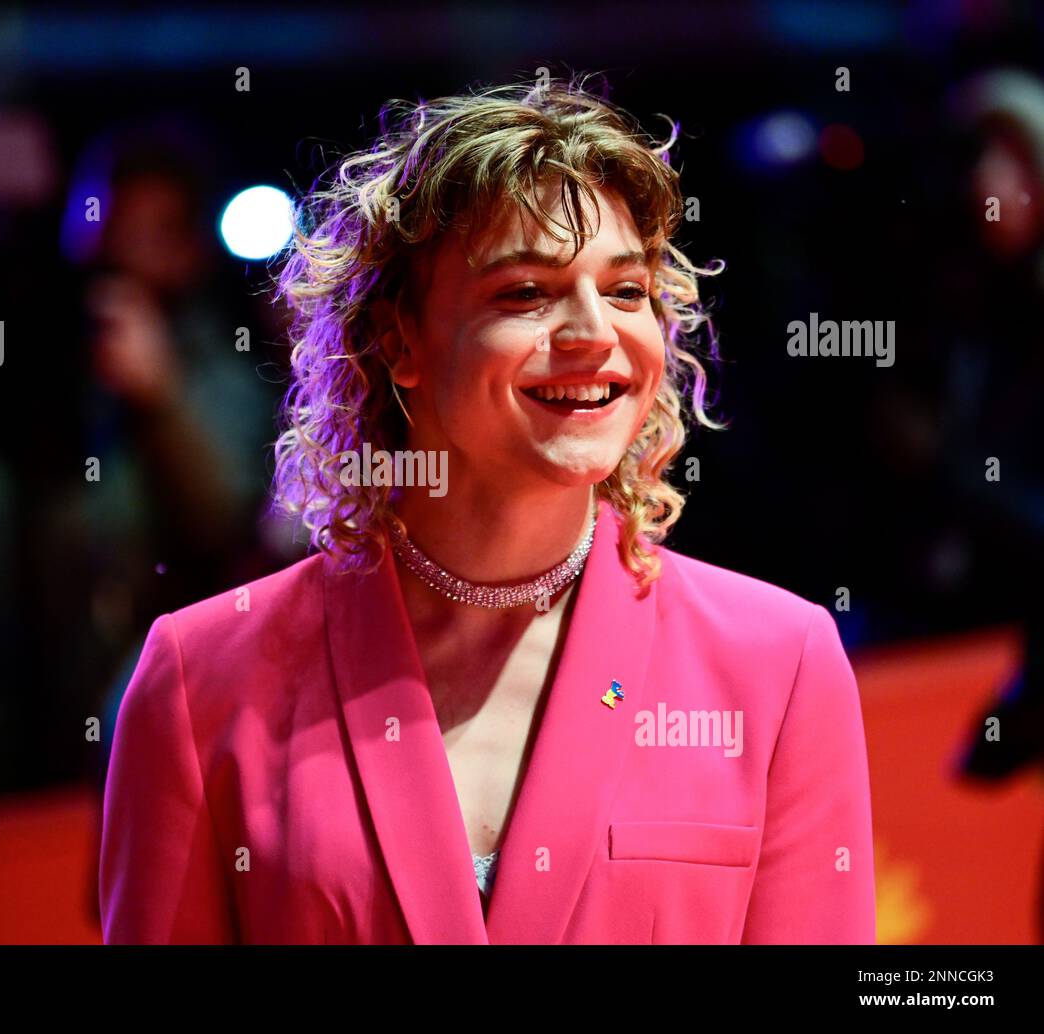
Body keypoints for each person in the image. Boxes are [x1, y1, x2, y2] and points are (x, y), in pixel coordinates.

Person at [99, 76, 876, 944]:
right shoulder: (200, 677)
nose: (594, 333)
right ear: (399, 341)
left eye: (625, 291)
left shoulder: (779, 665)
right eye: (525, 294)